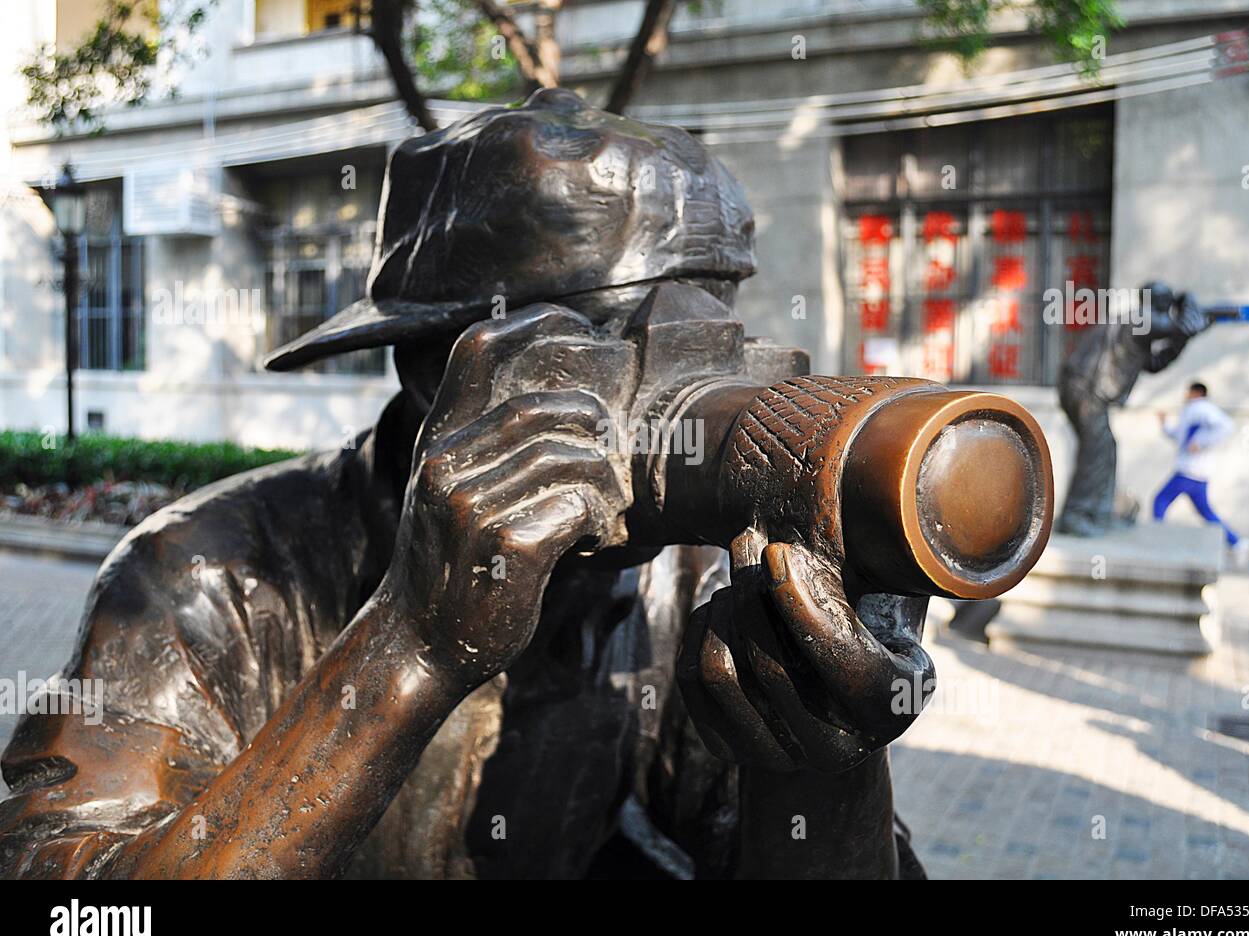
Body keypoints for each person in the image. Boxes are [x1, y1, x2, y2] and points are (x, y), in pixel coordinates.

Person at [0, 90, 932, 879]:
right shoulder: (204, 578)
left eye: (716, 325)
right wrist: (410, 646)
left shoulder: (684, 581)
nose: (685, 384)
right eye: (619, 336)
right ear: (432, 371)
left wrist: (823, 764)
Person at [1057, 282, 1211, 536]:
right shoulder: (1141, 319)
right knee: (1096, 450)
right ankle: (1076, 515)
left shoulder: (1138, 328)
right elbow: (1177, 327)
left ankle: (1099, 512)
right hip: (1084, 389)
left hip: (1085, 391)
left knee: (1105, 447)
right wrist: (1189, 310)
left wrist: (1183, 337)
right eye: (1165, 301)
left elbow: (1155, 362)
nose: (1167, 306)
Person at [1154, 382, 1249, 564]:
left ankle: (1155, 541)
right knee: (1205, 511)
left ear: (1197, 392)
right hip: (1195, 471)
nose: (1185, 395)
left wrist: (1202, 441)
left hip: (1189, 470)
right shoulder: (1192, 411)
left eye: (1188, 391)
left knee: (1160, 500)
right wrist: (1164, 424)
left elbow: (1226, 426)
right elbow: (1180, 437)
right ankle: (1236, 541)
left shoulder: (1202, 408)